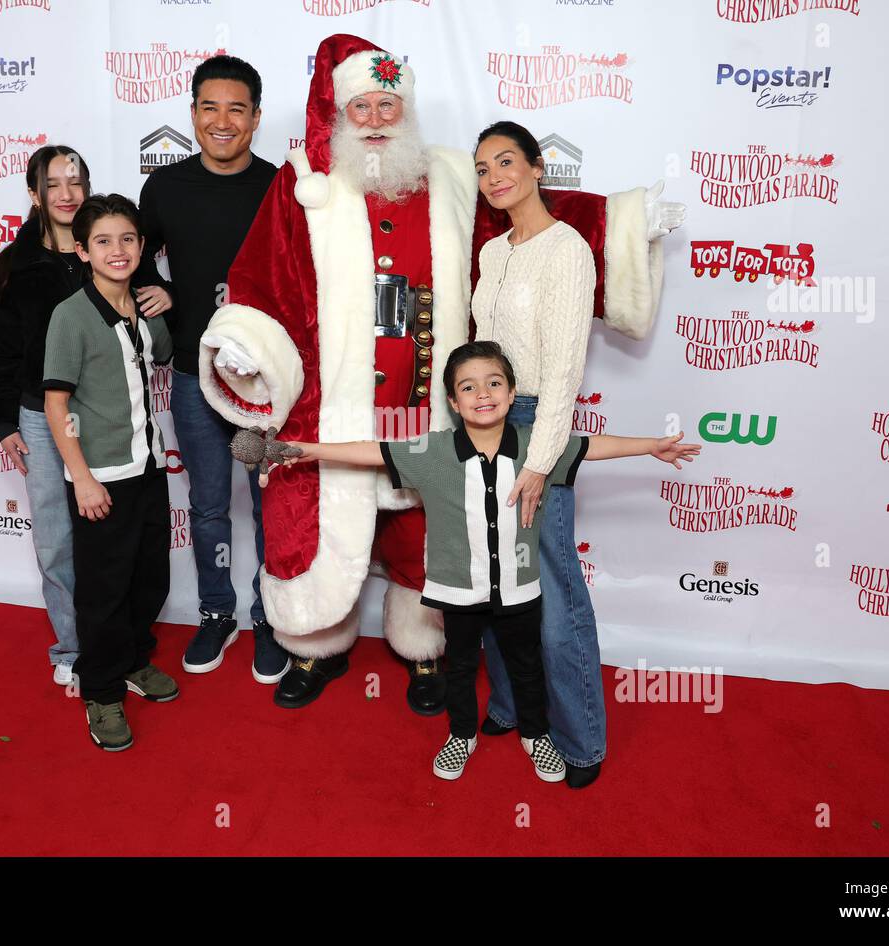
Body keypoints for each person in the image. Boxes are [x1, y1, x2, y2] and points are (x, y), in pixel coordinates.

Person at [197, 33, 680, 717]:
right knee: (311, 524)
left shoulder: (454, 175)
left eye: (386, 103)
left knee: (429, 534)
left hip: (435, 404)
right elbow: (265, 277)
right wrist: (246, 344)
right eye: (358, 104)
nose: (372, 117)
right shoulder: (304, 178)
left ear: (407, 110)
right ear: (339, 111)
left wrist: (623, 224)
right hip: (336, 403)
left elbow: (535, 214)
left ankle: (425, 652)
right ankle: (315, 646)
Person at [275, 341, 700, 781]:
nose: (483, 394)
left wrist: (651, 445)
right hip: (457, 589)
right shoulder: (435, 452)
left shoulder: (535, 449)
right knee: (460, 667)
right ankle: (461, 735)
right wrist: (307, 450)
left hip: (520, 588)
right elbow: (373, 451)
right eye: (469, 387)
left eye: (494, 383)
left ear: (512, 394)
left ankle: (536, 735)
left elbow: (590, 446)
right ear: (455, 402)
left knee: (526, 664)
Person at [473, 120, 663, 789]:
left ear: (534, 167)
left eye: (505, 161)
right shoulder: (494, 253)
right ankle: (509, 704)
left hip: (535, 428)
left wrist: (537, 463)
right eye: (482, 168)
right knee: (493, 584)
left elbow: (561, 375)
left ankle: (581, 738)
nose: (494, 177)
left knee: (553, 594)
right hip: (482, 426)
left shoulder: (567, 250)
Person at [132, 55, 289, 684]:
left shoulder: (281, 188)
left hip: (262, 382)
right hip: (197, 380)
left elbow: (301, 280)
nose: (221, 121)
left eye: (236, 109)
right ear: (192, 113)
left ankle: (271, 618)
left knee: (270, 501)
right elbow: (133, 261)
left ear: (254, 117)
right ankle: (217, 611)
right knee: (207, 505)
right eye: (208, 107)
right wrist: (157, 291)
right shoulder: (164, 187)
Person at [42, 194, 178, 751]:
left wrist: (164, 305)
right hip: (103, 477)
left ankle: (130, 662)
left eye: (127, 239)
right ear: (82, 250)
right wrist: (83, 477)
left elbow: (162, 359)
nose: (117, 251)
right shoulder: (70, 316)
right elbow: (57, 406)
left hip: (149, 466)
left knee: (150, 579)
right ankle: (99, 691)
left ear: (142, 246)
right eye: (103, 241)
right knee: (103, 591)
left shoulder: (145, 308)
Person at [0, 145, 91, 687]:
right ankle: (70, 649)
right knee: (56, 537)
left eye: (75, 182)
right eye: (53, 184)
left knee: (111, 534)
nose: (66, 194)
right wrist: (2, 422)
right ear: (34, 194)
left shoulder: (110, 251)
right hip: (38, 420)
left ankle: (118, 640)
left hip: (106, 416)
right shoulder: (9, 271)